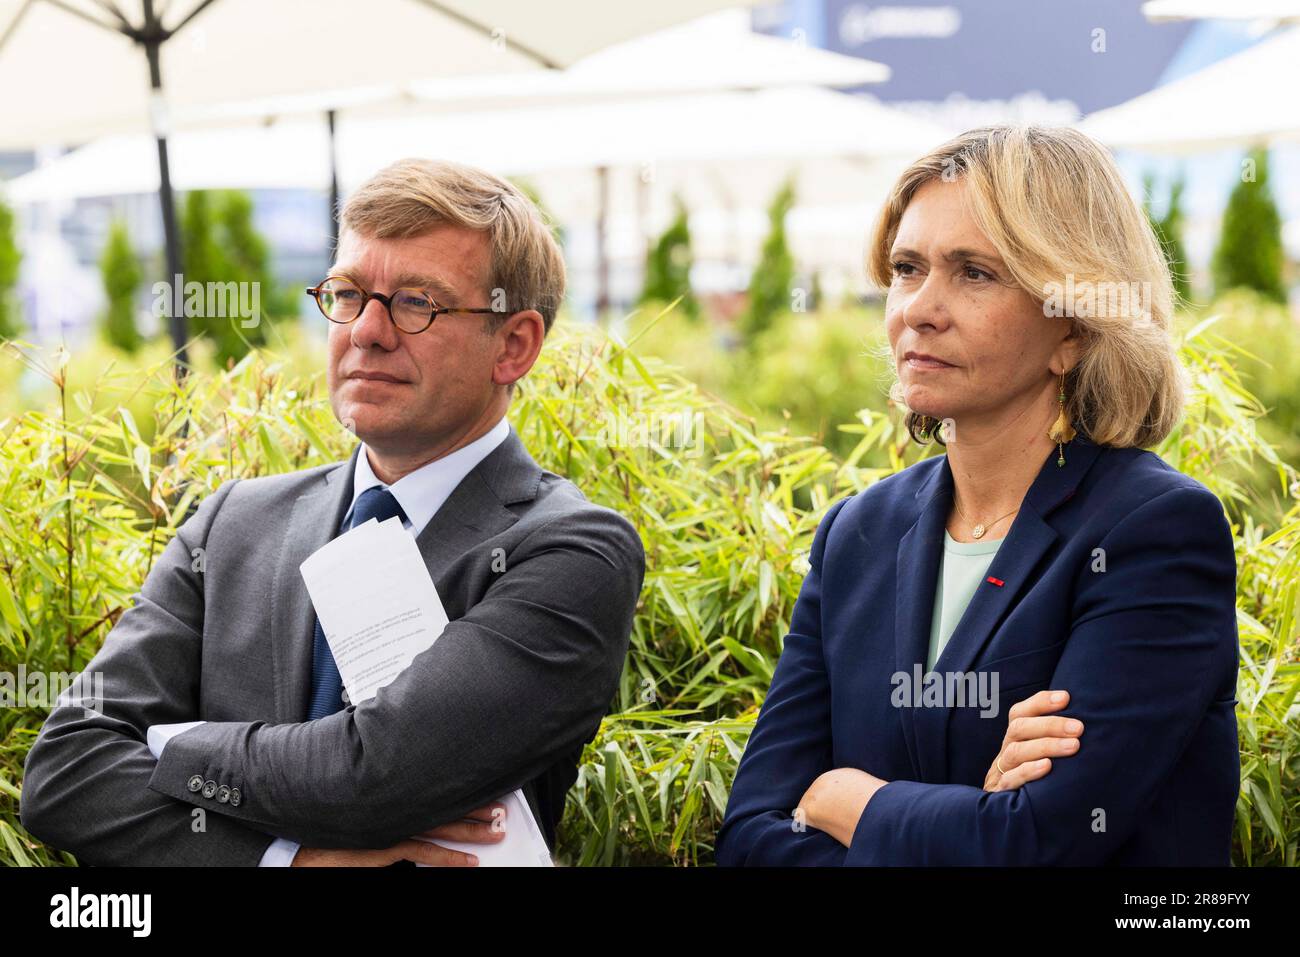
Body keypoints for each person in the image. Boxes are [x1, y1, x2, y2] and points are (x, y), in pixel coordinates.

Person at [20, 158, 645, 866]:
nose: (368, 331)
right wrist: (292, 862)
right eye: (347, 294)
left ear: (514, 345)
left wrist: (171, 740)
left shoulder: (572, 549)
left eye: (417, 303)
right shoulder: (232, 524)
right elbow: (67, 770)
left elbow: (373, 772)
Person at [715, 126, 1239, 866]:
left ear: (1076, 328)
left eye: (975, 274)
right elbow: (748, 839)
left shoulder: (1154, 532)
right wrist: (976, 815)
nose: (918, 309)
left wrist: (848, 800)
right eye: (906, 268)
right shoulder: (857, 535)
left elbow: (1038, 842)